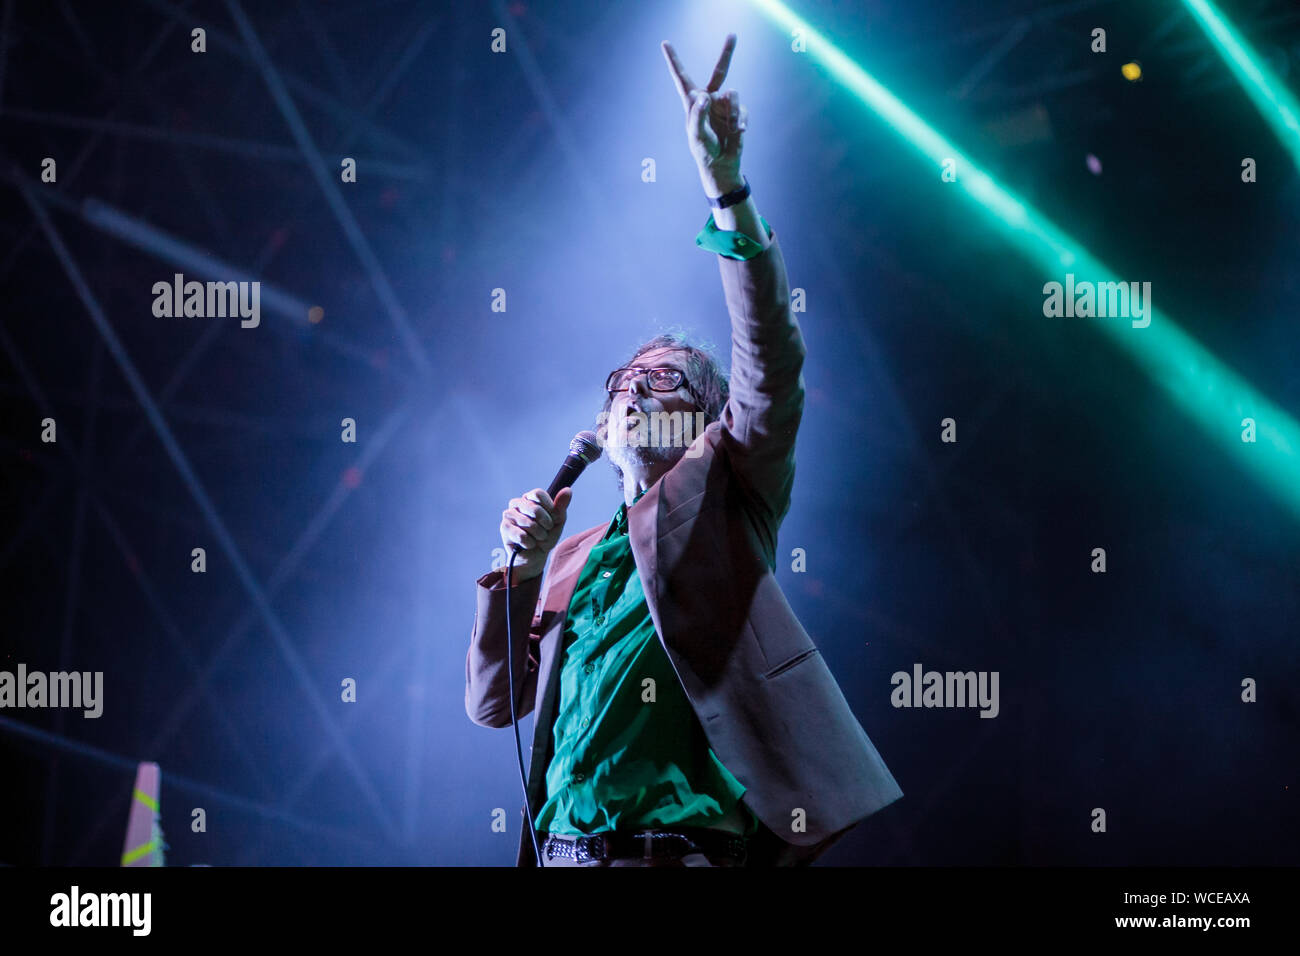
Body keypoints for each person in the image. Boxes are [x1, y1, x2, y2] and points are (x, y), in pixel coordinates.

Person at [465, 34, 902, 867]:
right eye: (625, 379)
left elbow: (770, 365)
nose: (635, 387)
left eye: (662, 378)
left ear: (703, 420)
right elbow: (495, 707)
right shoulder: (576, 555)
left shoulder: (726, 491)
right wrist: (521, 576)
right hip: (561, 854)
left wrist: (726, 189)